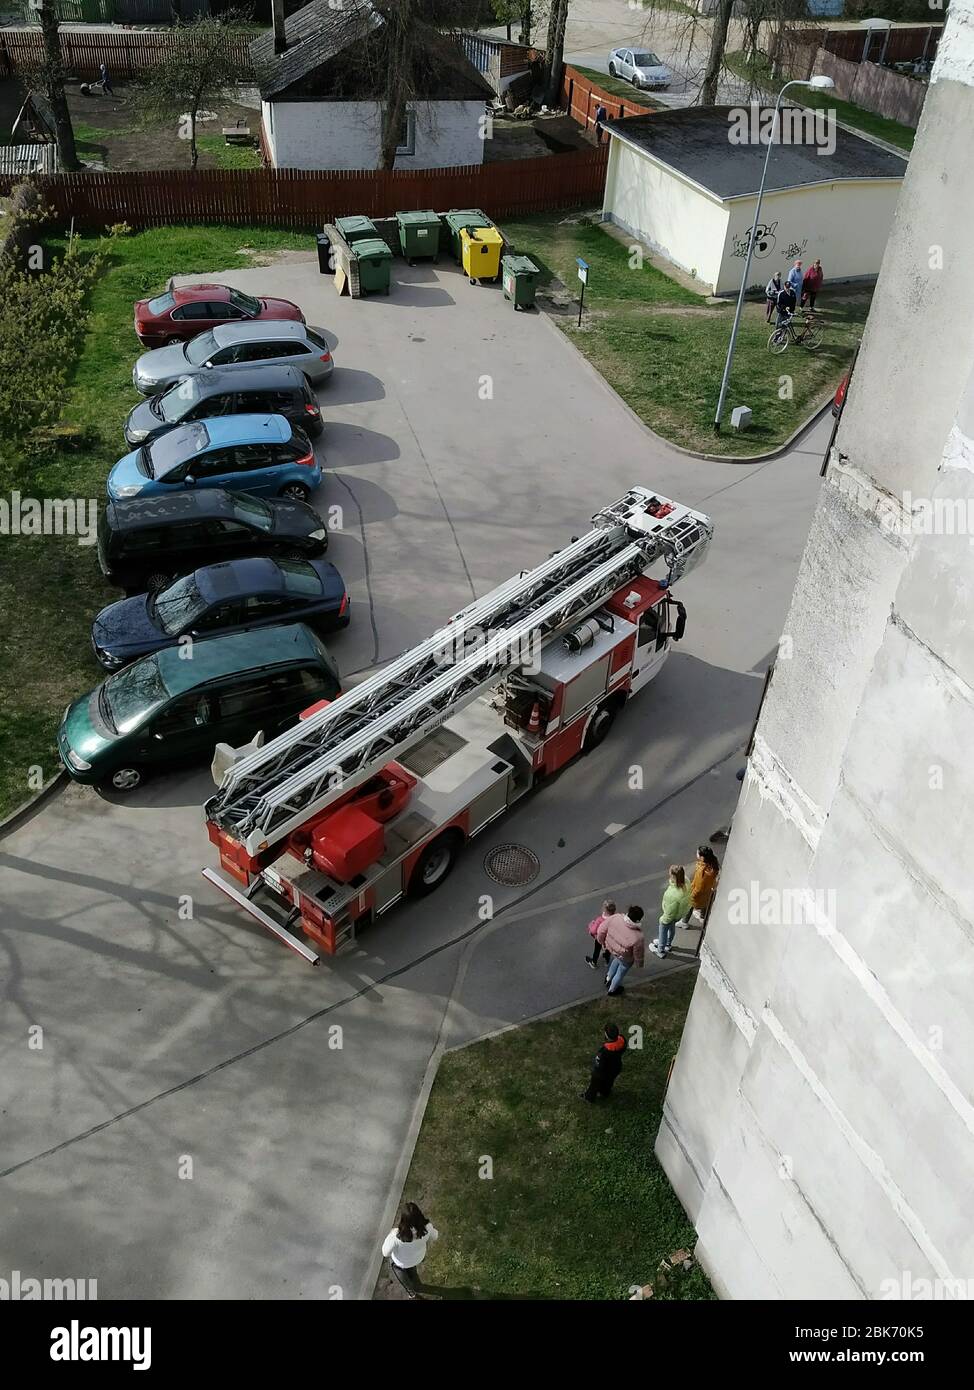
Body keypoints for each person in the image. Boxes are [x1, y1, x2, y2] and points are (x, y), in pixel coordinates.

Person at [381, 1203, 439, 1300]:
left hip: (401, 1263)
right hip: (417, 1258)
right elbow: (435, 1236)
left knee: (397, 1269)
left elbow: (385, 1253)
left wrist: (390, 1233)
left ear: (403, 1220)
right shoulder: (427, 1228)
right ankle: (417, 1284)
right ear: (419, 1214)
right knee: (412, 1270)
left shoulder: (396, 1236)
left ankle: (412, 1294)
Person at [596, 905, 645, 996]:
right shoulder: (638, 937)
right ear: (638, 919)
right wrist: (639, 964)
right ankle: (612, 990)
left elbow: (601, 931)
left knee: (616, 960)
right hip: (626, 957)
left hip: (613, 950)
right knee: (621, 972)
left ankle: (608, 977)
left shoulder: (616, 917)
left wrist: (602, 942)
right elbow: (638, 953)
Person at [650, 865, 692, 960]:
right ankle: (668, 944)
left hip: (671, 915)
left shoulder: (673, 895)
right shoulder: (687, 882)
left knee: (663, 929)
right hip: (679, 914)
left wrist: (663, 920)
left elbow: (669, 913)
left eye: (670, 875)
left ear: (674, 877)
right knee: (672, 928)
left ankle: (660, 950)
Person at [581, 1023, 627, 1102]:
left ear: (607, 1035)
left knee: (594, 1085)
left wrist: (595, 1074)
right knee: (609, 1081)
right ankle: (605, 1092)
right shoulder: (622, 1040)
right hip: (616, 1067)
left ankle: (589, 1097)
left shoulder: (604, 1051)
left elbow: (598, 1065)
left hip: (604, 1072)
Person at [683, 846, 720, 925]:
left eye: (697, 853)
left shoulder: (702, 872)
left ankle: (684, 922)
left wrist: (691, 896)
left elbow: (698, 888)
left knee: (690, 906)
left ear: (702, 857)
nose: (696, 854)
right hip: (708, 892)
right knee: (705, 903)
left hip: (698, 894)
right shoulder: (712, 866)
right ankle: (703, 916)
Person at [585, 898, 616, 969]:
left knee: (597, 949)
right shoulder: (615, 918)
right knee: (608, 949)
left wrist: (591, 924)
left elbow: (593, 931)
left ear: (604, 910)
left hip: (600, 938)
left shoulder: (600, 920)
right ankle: (607, 961)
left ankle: (593, 962)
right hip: (610, 938)